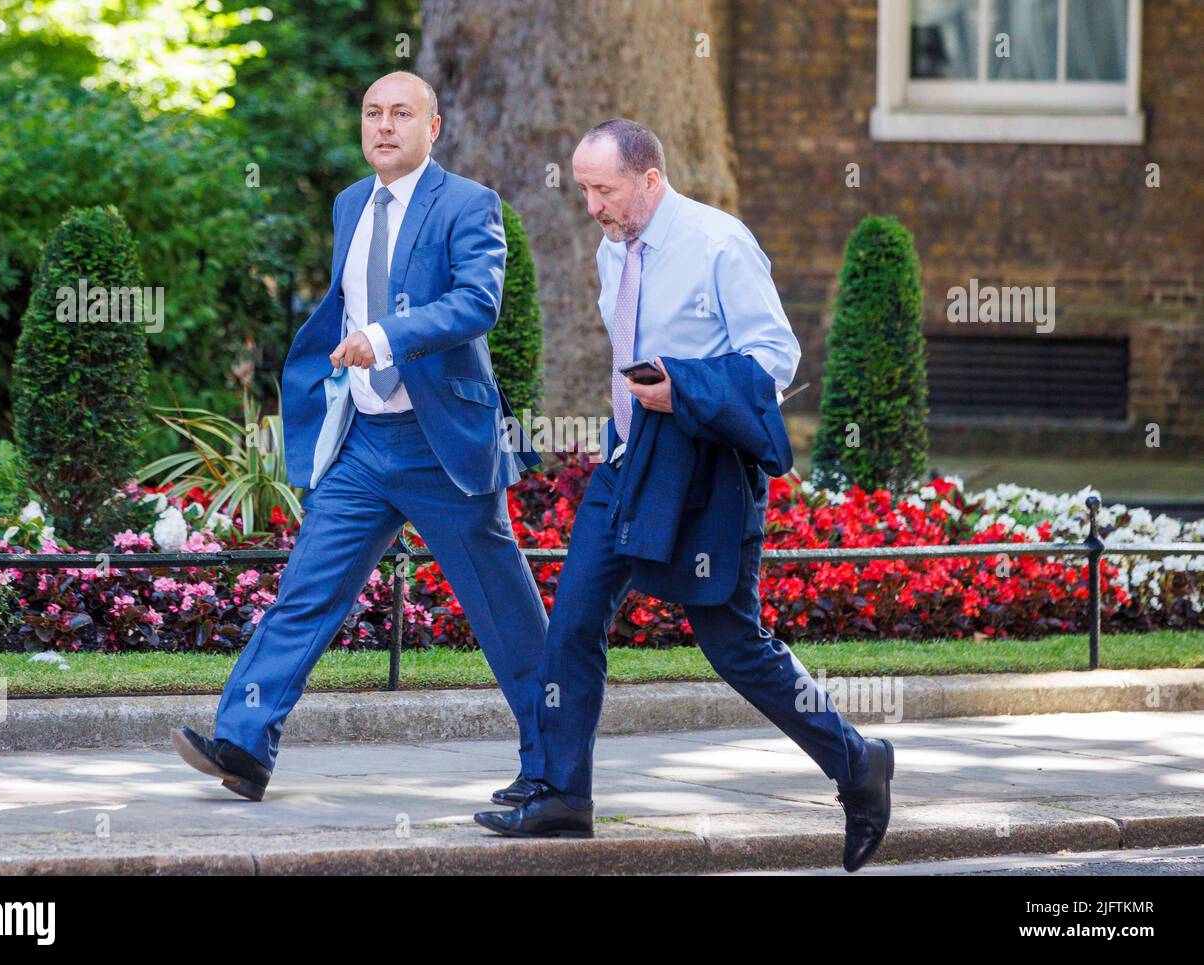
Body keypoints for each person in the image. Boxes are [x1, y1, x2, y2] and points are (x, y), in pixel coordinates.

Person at [473, 119, 894, 872]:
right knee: (570, 620)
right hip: (630, 462)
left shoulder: (719, 244)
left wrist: (684, 389)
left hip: (707, 468)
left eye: (605, 190)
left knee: (733, 644)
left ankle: (857, 761)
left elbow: (776, 358)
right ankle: (563, 792)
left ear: (651, 180)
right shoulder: (614, 249)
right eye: (585, 190)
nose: (593, 206)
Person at [172, 71, 548, 806]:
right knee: (306, 590)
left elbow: (477, 302)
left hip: (443, 445)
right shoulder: (351, 203)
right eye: (373, 113)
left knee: (506, 614)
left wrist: (384, 336)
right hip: (365, 443)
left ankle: (554, 764)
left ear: (432, 127)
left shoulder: (469, 204)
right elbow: (345, 303)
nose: (383, 126)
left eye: (401, 113)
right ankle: (244, 744)